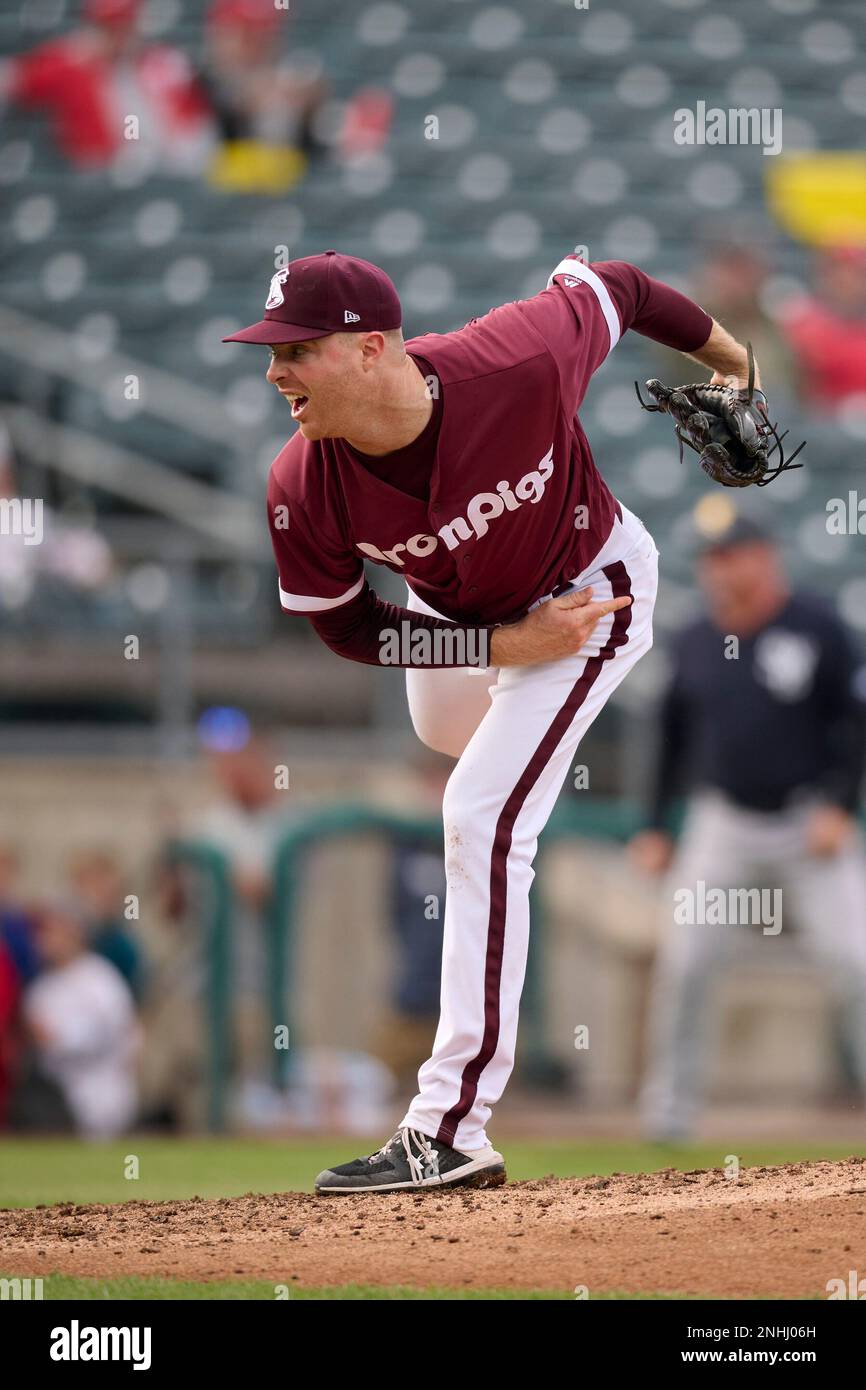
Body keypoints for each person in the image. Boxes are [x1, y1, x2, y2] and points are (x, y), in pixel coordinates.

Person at [223, 246, 760, 1192]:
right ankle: (508, 733)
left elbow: (619, 288)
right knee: (448, 742)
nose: (275, 372)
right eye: (271, 352)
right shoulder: (299, 486)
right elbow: (347, 630)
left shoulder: (516, 357)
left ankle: (451, 1125)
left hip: (591, 597)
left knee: (478, 815)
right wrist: (495, 650)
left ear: (370, 349)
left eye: (295, 350)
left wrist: (729, 356)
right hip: (467, 618)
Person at [631, 512, 866, 1140]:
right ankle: (668, 1116)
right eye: (710, 558)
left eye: (729, 555)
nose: (717, 569)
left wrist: (841, 804)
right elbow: (669, 739)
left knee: (857, 961)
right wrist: (655, 825)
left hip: (807, 820)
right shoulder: (695, 638)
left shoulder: (817, 625)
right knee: (685, 966)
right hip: (723, 822)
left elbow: (854, 724)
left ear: (763, 556)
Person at [1, 0, 212, 174]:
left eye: (123, 26)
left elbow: (190, 127)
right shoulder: (71, 63)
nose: (117, 36)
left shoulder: (162, 63)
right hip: (98, 177)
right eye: (109, 28)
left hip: (168, 168)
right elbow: (13, 79)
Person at [22, 899, 140, 1138]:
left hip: (98, 1090)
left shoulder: (100, 978)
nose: (44, 939)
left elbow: (112, 1034)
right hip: (53, 1093)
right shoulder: (41, 987)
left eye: (53, 931)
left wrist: (55, 1038)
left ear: (73, 932)